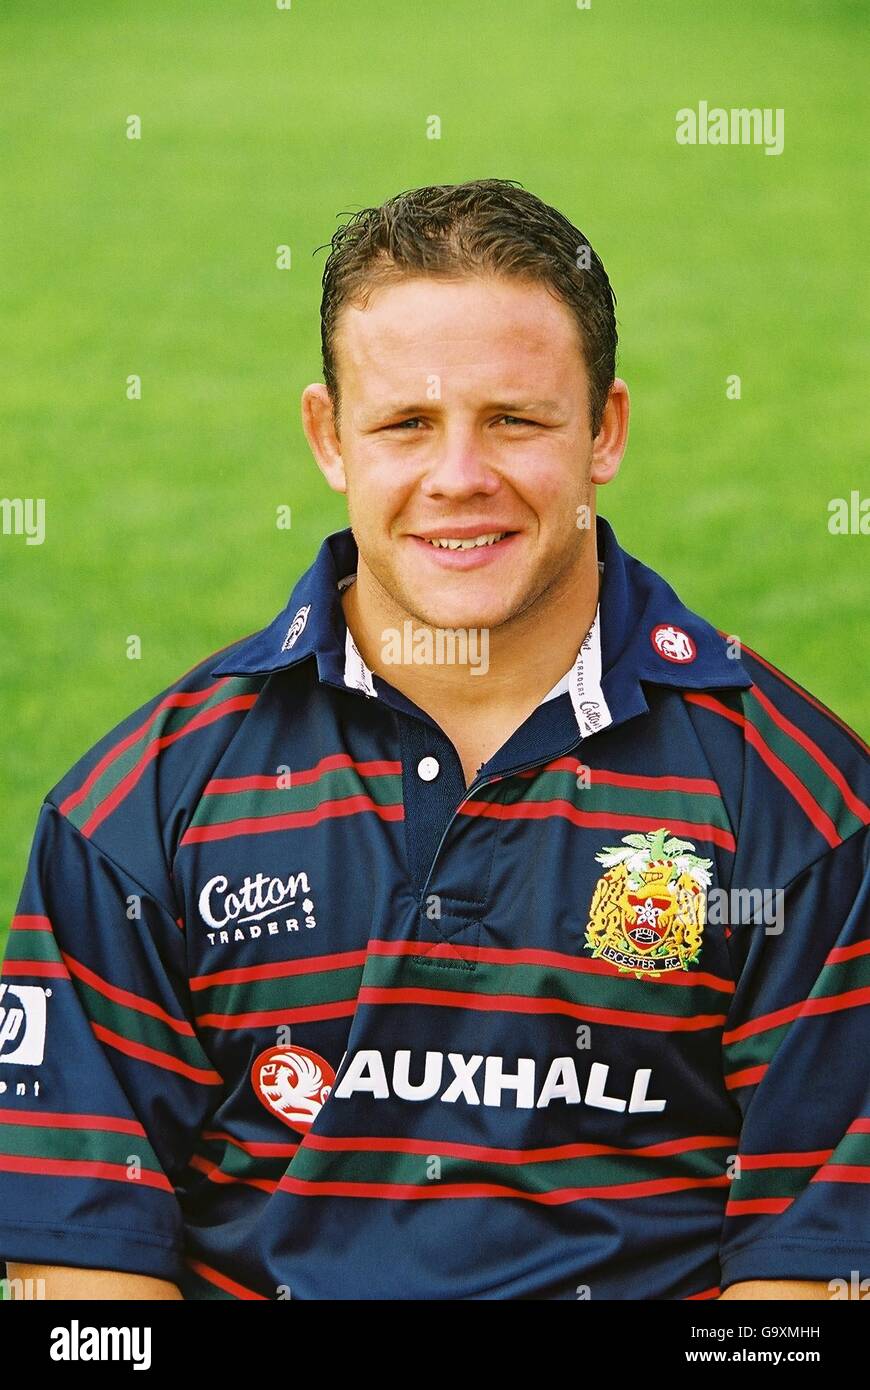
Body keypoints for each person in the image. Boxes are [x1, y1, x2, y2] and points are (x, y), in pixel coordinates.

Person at [1, 180, 868, 1301]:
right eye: (407, 423)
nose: (460, 476)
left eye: (515, 419)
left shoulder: (804, 803)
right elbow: (78, 1266)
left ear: (604, 430)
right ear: (329, 435)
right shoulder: (136, 806)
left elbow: (814, 1276)